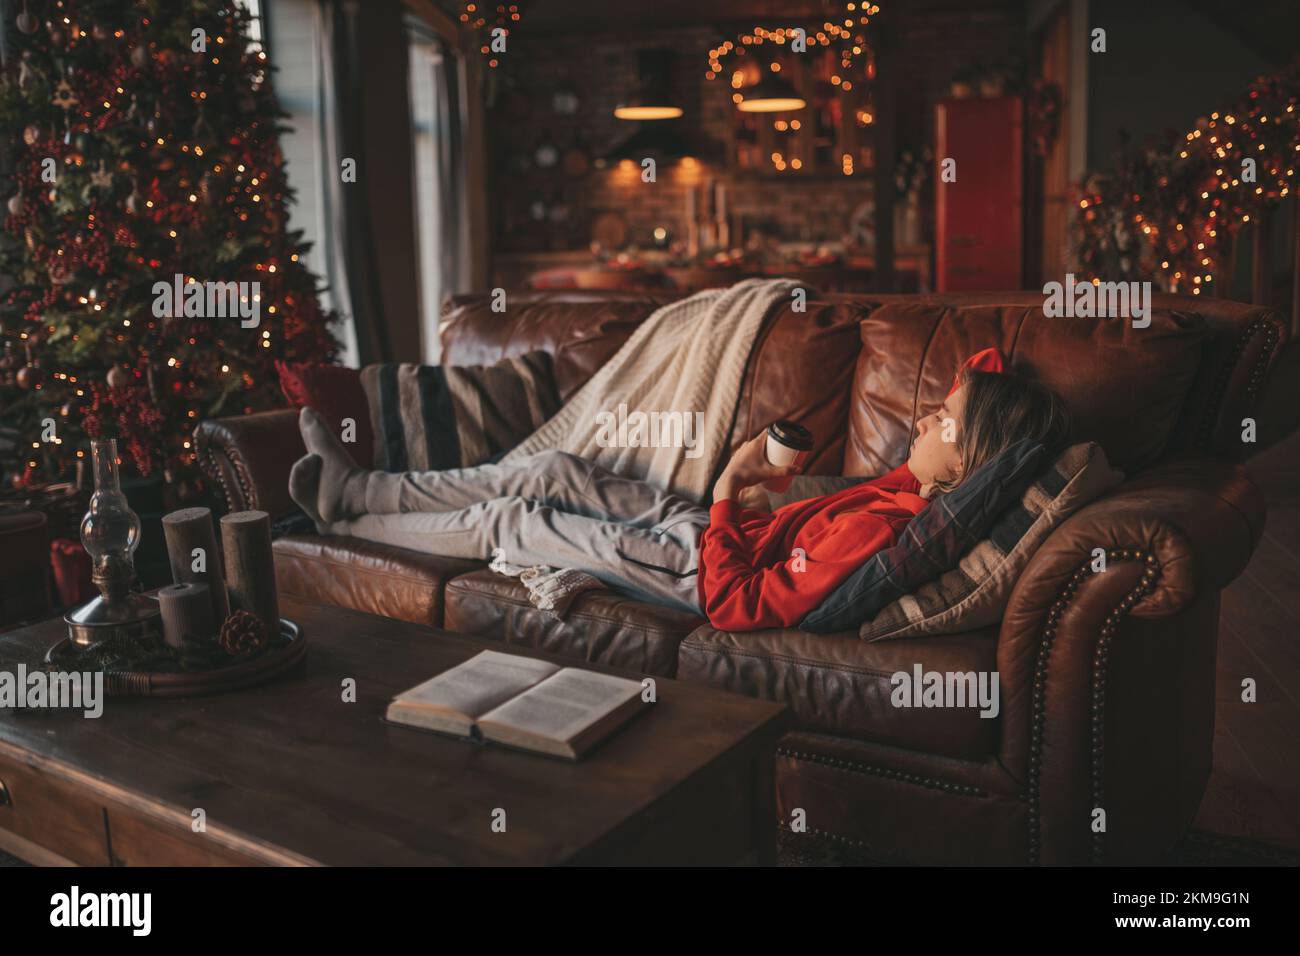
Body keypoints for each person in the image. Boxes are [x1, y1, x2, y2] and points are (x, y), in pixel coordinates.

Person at [287, 348, 1071, 631]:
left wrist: (732, 484)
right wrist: (978, 402)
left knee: (512, 519)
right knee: (552, 468)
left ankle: (344, 527)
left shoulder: (878, 536)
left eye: (944, 417)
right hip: (703, 530)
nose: (927, 415)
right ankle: (359, 488)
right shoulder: (910, 490)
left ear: (968, 462)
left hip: (695, 574)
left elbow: (735, 606)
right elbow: (986, 378)